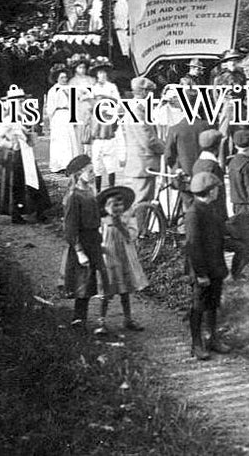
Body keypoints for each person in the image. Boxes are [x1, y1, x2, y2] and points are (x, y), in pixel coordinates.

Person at [184, 171, 232, 360]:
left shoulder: (211, 209)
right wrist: (201, 273)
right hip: (201, 270)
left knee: (213, 303)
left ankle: (212, 338)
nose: (218, 191)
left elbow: (220, 237)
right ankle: (196, 344)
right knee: (198, 305)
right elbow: (193, 246)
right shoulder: (194, 213)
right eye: (216, 189)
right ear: (210, 191)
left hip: (215, 266)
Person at [59, 154, 108, 331]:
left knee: (96, 279)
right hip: (83, 243)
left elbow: (94, 214)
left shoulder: (90, 191)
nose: (94, 174)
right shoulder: (73, 196)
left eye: (93, 170)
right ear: (79, 174)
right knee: (82, 283)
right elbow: (70, 228)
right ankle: (79, 319)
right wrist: (79, 251)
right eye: (90, 171)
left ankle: (99, 319)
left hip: (94, 240)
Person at [0, 85, 51, 224]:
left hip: (27, 152)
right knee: (16, 184)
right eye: (17, 102)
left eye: (22, 101)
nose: (20, 103)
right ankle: (15, 214)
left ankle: (38, 211)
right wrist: (10, 145)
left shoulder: (25, 117)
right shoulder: (8, 120)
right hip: (16, 155)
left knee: (34, 181)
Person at [95, 185, 149, 335]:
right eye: (113, 205)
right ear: (105, 207)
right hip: (109, 258)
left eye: (120, 205)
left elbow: (131, 236)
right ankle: (101, 321)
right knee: (106, 291)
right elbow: (97, 239)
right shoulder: (102, 221)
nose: (117, 208)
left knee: (125, 289)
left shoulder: (127, 219)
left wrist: (120, 225)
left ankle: (127, 318)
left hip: (124, 257)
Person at [123, 76, 164, 206]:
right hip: (143, 163)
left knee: (144, 200)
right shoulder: (137, 111)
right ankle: (141, 227)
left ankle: (143, 226)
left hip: (142, 163)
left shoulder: (137, 109)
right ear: (144, 92)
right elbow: (148, 140)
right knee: (143, 202)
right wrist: (166, 147)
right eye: (150, 92)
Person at [87, 58, 122, 192]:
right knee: (96, 159)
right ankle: (98, 189)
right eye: (99, 73)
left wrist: (109, 106)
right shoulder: (93, 88)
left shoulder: (111, 87)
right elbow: (90, 104)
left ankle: (112, 187)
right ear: (96, 75)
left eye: (104, 73)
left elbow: (117, 102)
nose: (101, 75)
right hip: (97, 120)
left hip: (108, 118)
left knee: (110, 158)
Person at [45, 63, 80, 173]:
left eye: (65, 77)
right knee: (60, 140)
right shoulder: (53, 90)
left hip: (69, 114)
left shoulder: (71, 88)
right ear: (56, 78)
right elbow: (50, 108)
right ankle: (60, 165)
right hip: (58, 115)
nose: (64, 79)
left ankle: (71, 163)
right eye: (62, 77)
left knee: (71, 139)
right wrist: (51, 120)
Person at [227, 129, 249, 216]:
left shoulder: (232, 162)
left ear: (236, 146)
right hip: (247, 203)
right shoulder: (247, 164)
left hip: (236, 202)